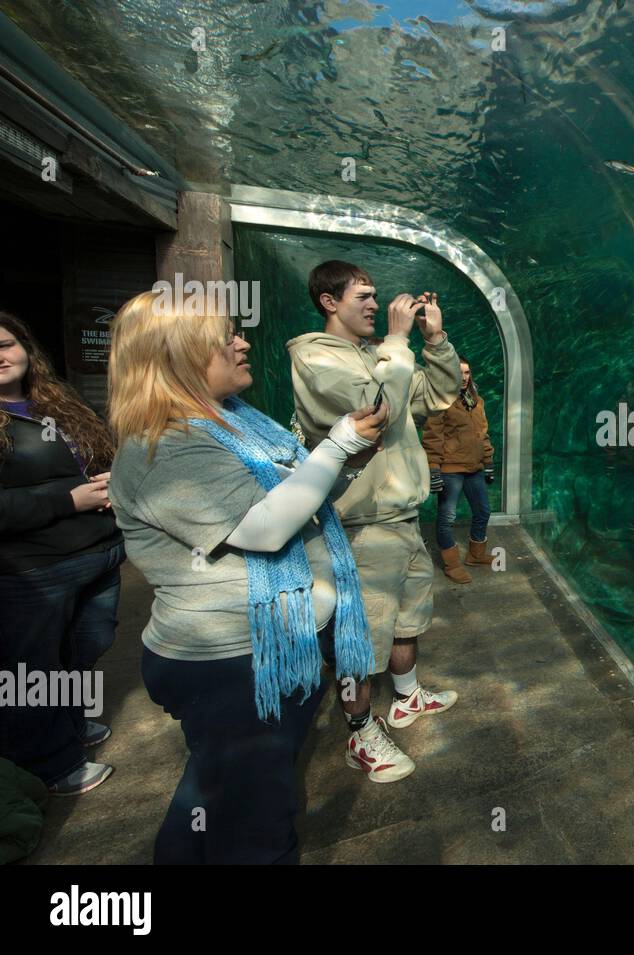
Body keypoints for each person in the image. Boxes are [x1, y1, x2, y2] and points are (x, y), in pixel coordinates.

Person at [106, 289, 385, 863]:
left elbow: (295, 496)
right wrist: (336, 446)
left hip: (269, 652)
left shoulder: (234, 424)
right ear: (177, 355)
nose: (242, 342)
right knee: (259, 823)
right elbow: (264, 528)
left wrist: (338, 460)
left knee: (217, 794)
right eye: (224, 337)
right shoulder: (162, 447)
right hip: (230, 664)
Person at [288, 260, 462, 784]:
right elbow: (374, 407)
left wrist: (434, 341)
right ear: (328, 300)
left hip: (404, 517)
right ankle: (360, 733)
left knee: (408, 619)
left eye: (374, 295)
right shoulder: (314, 356)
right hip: (361, 525)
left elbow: (438, 396)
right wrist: (397, 339)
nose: (372, 303)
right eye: (362, 295)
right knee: (359, 641)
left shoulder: (378, 355)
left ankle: (407, 698)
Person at [0, 312, 123, 796]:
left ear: (27, 348)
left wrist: (115, 479)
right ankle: (50, 763)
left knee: (82, 651)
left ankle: (69, 725)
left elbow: (100, 457)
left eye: (7, 344)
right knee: (30, 671)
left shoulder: (57, 401)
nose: (1, 356)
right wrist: (69, 499)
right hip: (33, 569)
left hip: (99, 553)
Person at [422, 359, 494, 583]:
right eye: (458, 372)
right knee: (447, 518)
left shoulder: (476, 401)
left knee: (483, 511)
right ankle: (452, 564)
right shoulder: (441, 402)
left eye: (467, 372)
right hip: (450, 469)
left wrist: (488, 460)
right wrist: (434, 469)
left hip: (475, 467)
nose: (464, 377)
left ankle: (476, 555)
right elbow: (433, 437)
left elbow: (483, 435)